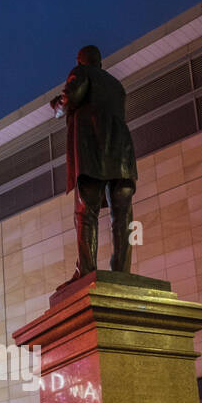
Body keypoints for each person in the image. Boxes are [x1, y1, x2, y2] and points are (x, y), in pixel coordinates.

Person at [49, 44, 138, 280]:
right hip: (123, 158)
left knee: (85, 212)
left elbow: (70, 100)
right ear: (101, 63)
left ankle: (86, 271)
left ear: (80, 62)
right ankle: (122, 271)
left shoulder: (81, 73)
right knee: (123, 217)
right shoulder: (117, 86)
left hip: (94, 154)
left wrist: (57, 106)